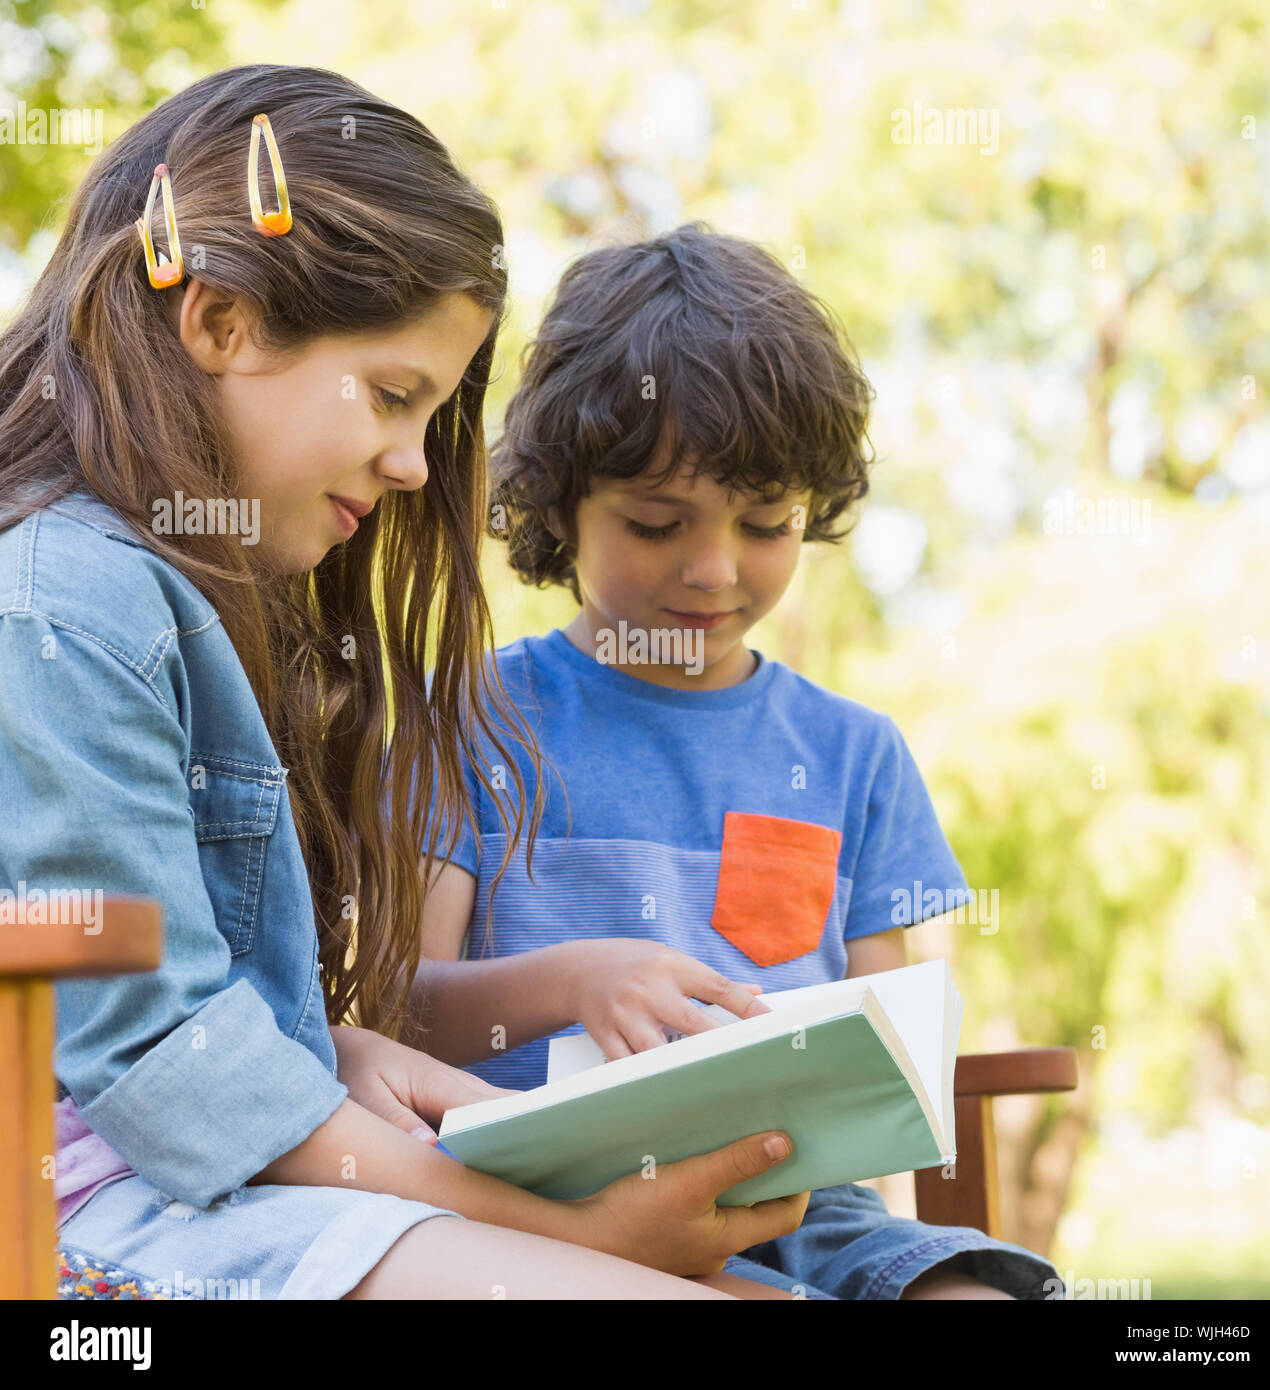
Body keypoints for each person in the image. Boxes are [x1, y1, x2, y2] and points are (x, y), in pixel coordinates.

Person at [0, 67, 813, 1301]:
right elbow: (158, 1064)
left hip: (188, 1188)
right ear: (219, 321)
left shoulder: (168, 594)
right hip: (95, 1230)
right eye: (392, 397)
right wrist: (573, 1234)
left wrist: (331, 1051)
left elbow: (147, 1020)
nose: (412, 464)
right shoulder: (67, 602)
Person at [409, 224, 1064, 1300]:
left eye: (766, 523)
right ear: (559, 506)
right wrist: (577, 980)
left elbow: (883, 1046)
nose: (713, 570)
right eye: (658, 522)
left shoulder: (854, 754)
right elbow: (401, 1006)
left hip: (804, 1202)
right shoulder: (473, 718)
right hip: (545, 1206)